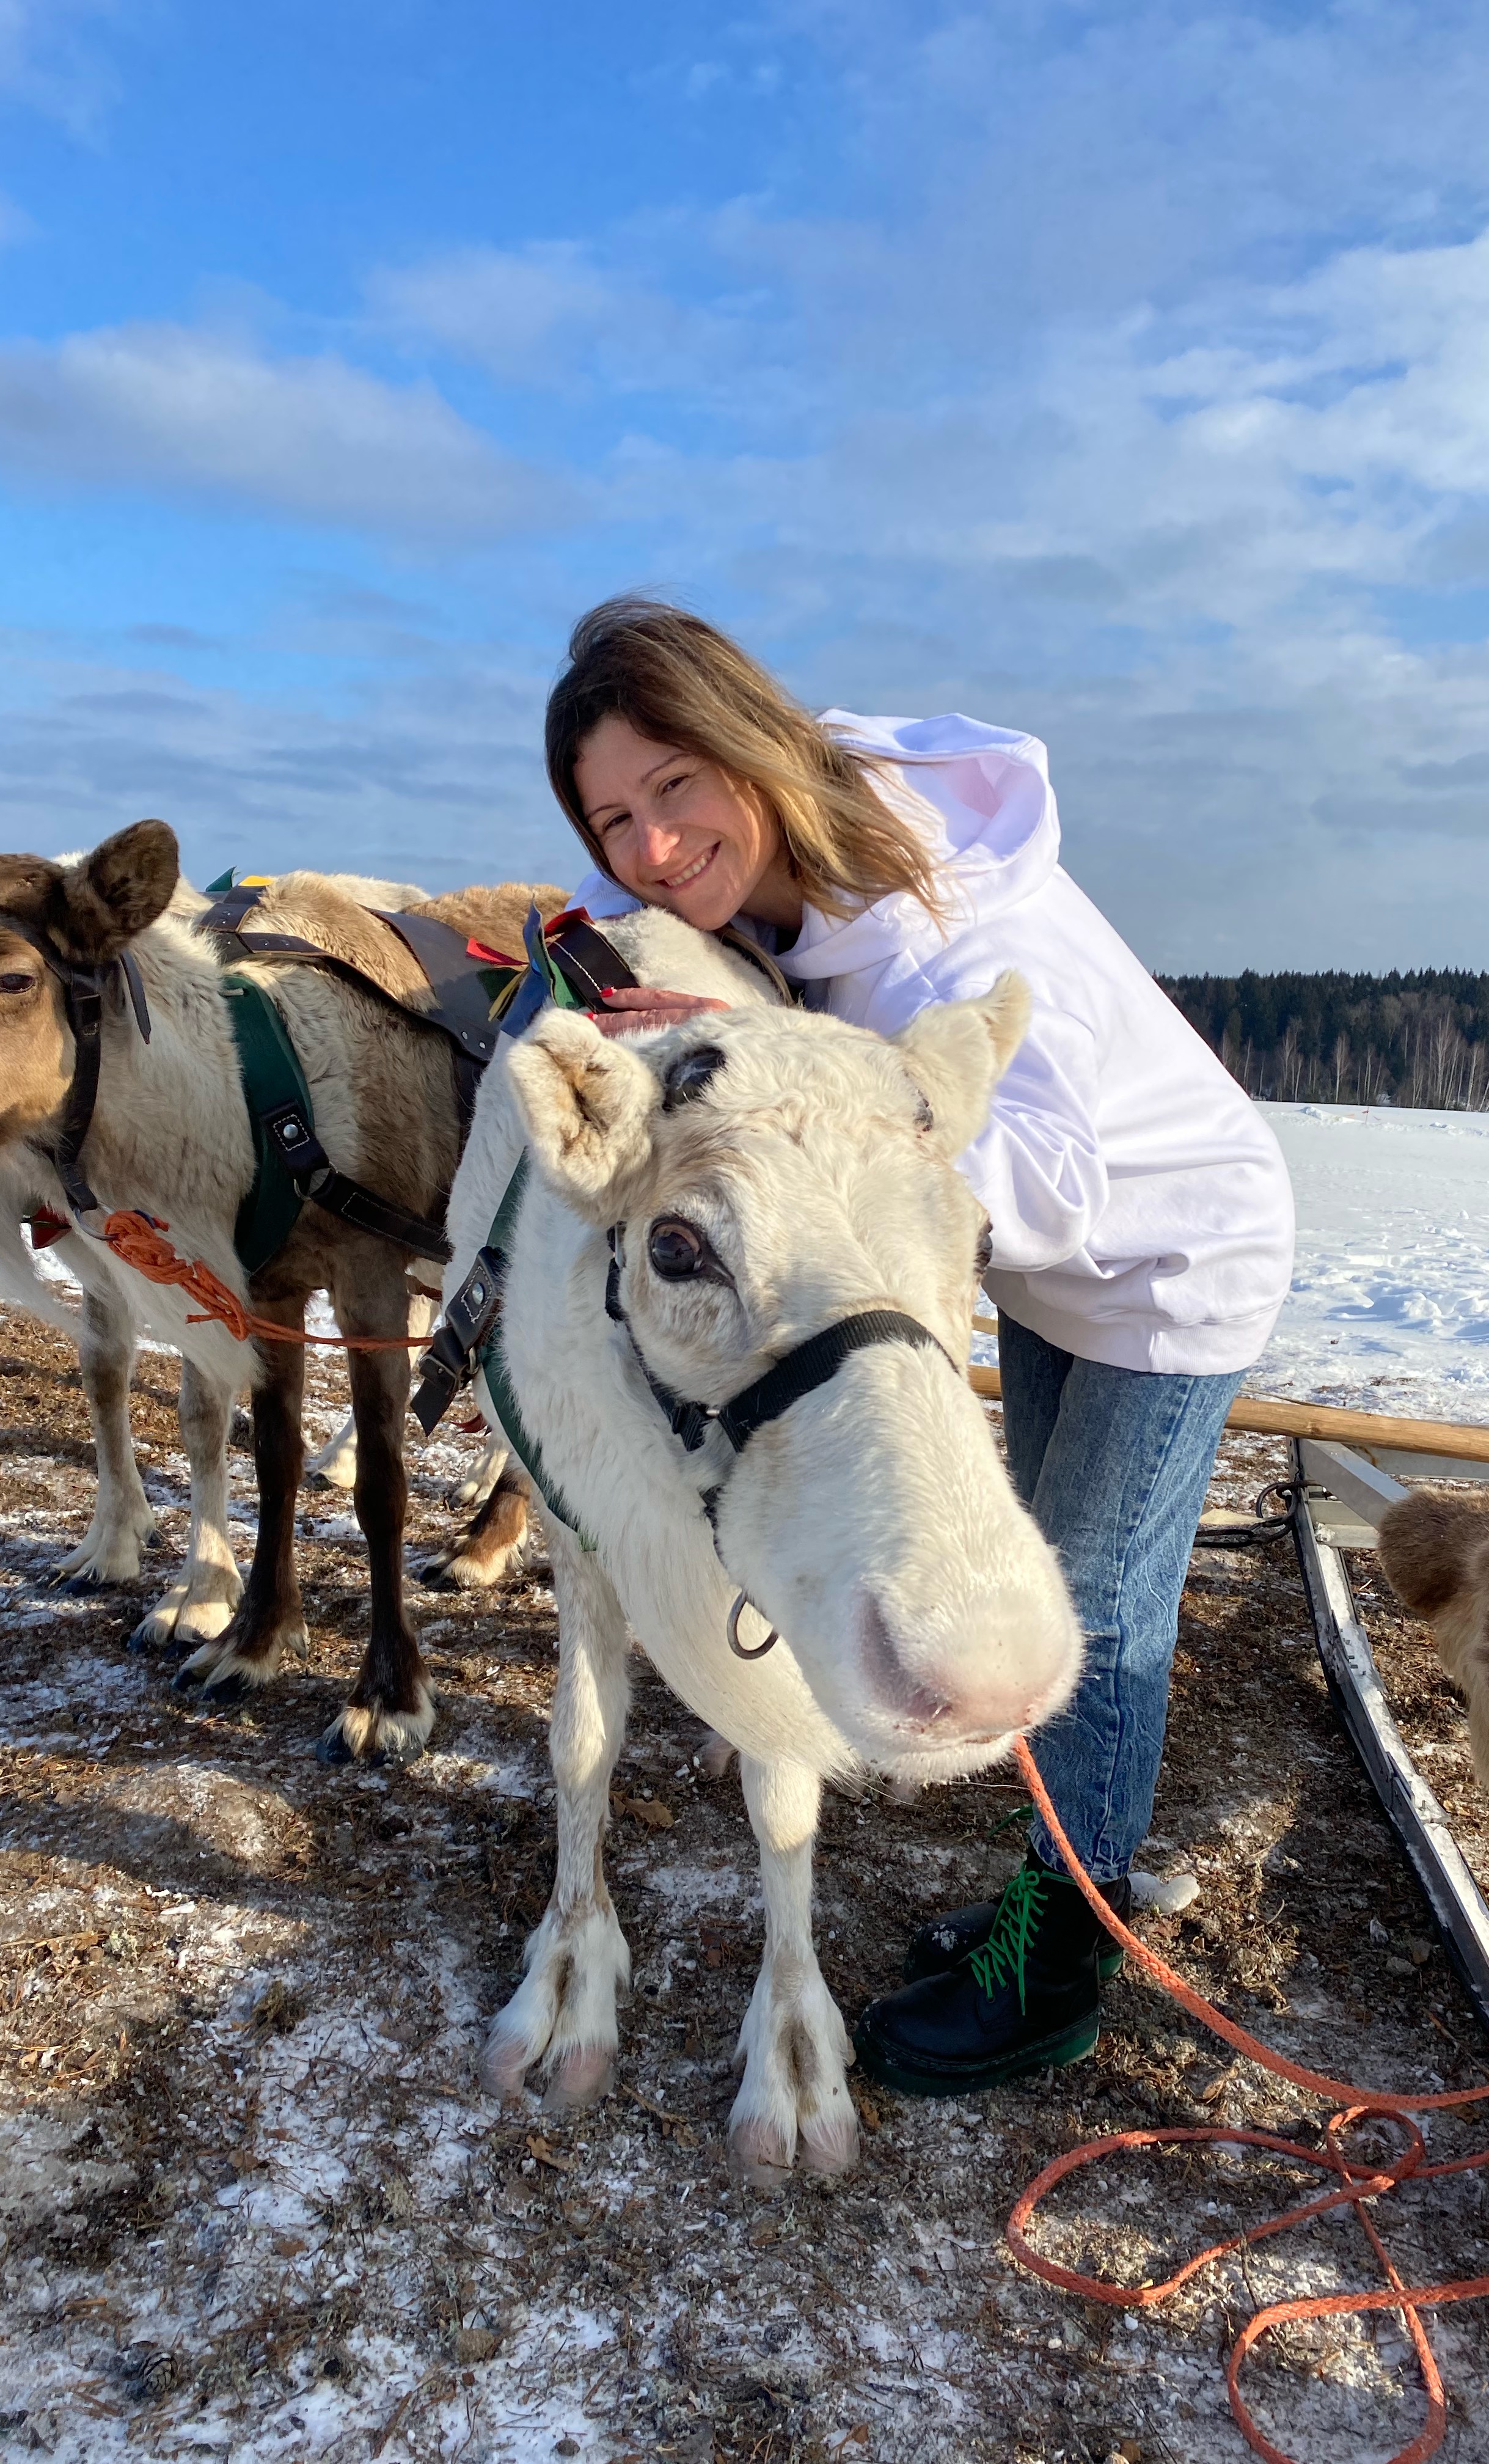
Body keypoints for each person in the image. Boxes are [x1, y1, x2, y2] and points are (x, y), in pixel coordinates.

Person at [540, 597, 1295, 2097]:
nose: (652, 848)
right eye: (615, 816)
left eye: (675, 787)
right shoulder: (792, 895)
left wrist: (863, 1160)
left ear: (746, 748)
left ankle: (1059, 1970)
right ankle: (1046, 1889)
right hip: (1045, 1285)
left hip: (1170, 1264)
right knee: (1022, 1544)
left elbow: (1058, 1182)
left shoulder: (961, 925)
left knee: (1092, 1607)